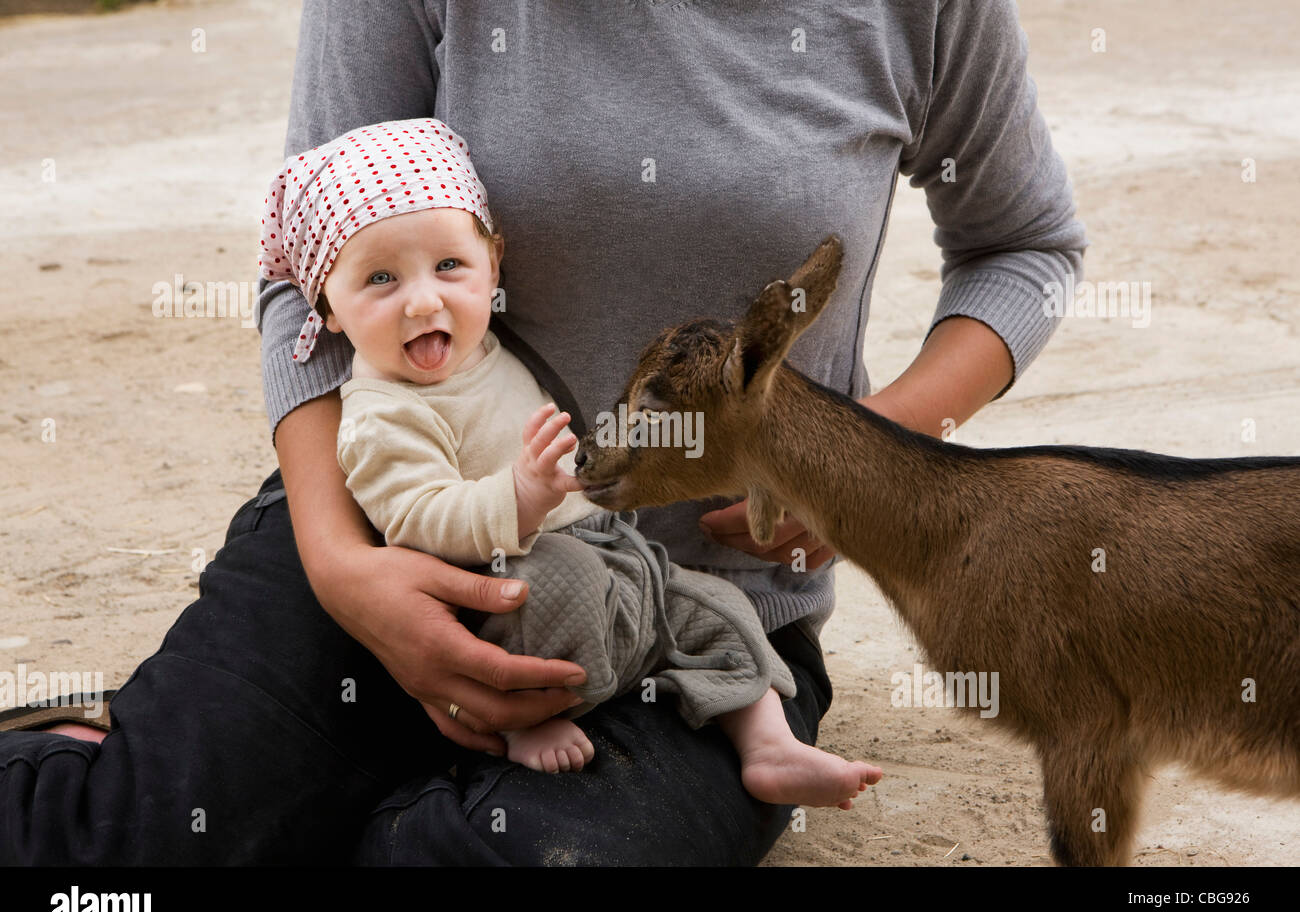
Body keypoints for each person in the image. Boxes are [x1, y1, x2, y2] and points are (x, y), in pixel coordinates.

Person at [0, 0, 1085, 865]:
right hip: (384, 538)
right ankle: (89, 751)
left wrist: (871, 455)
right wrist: (338, 566)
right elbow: (303, 280)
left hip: (683, 619)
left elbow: (1023, 244)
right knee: (110, 857)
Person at [260, 117, 882, 804]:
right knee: (560, 591)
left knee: (717, 604)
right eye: (381, 279)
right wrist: (519, 494)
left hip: (607, 546)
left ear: (493, 264)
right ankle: (528, 721)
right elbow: (413, 516)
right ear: (329, 310)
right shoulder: (380, 413)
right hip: (504, 566)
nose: (424, 299)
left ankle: (768, 741)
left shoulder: (481, 344)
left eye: (450, 267)